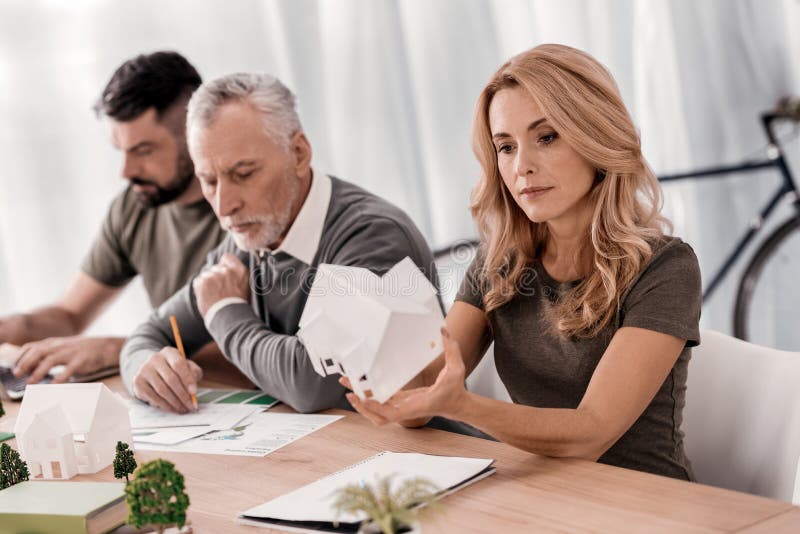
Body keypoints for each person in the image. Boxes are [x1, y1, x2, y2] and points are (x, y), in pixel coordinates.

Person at [345, 44, 702, 481]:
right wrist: (389, 380)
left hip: (648, 504)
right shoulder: (499, 263)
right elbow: (426, 397)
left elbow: (590, 434)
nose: (521, 167)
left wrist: (463, 406)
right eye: (506, 147)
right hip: (541, 493)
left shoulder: (665, 267)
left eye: (546, 137)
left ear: (596, 137)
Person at [119, 73, 438, 415]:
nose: (225, 206)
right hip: (327, 454)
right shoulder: (247, 240)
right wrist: (145, 367)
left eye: (243, 174)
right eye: (209, 181)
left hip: (428, 458)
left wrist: (225, 311)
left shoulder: (373, 235)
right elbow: (148, 334)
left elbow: (313, 383)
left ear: (298, 153)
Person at [0, 51, 226, 384]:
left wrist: (124, 350)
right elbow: (70, 314)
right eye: (120, 150)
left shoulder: (244, 209)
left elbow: (262, 350)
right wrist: (10, 328)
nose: (127, 170)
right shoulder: (135, 206)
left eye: (144, 150)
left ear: (196, 134)